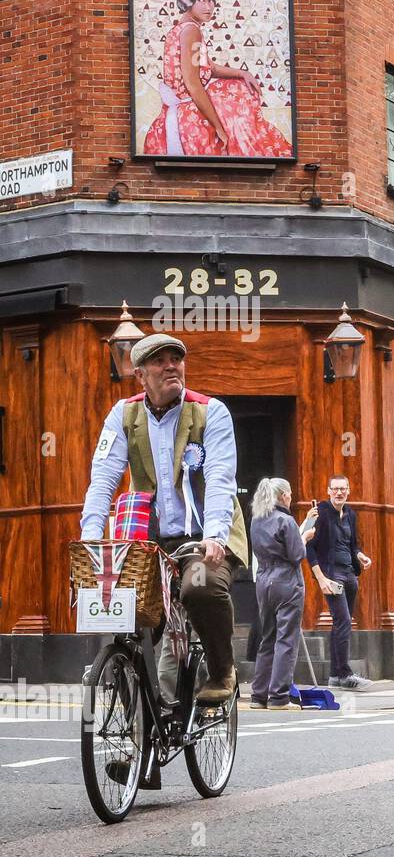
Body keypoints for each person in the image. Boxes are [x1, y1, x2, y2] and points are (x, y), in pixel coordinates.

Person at [80, 334, 246, 788]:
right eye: (159, 362)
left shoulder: (211, 411)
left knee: (199, 586)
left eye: (177, 359)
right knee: (138, 623)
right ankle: (144, 752)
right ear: (141, 374)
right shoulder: (123, 414)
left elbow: (219, 475)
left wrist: (213, 534)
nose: (172, 366)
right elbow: (104, 479)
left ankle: (221, 669)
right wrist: (91, 537)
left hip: (203, 536)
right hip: (150, 538)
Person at [142, 0, 293, 158]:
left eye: (211, 0)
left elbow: (209, 68)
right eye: (201, 0)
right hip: (189, 117)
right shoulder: (191, 31)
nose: (208, 6)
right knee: (240, 109)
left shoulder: (183, 28)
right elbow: (193, 84)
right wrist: (218, 127)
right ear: (188, 1)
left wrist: (242, 73)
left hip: (181, 112)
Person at [249, 478, 314, 710]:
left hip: (263, 580)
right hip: (287, 581)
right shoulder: (285, 520)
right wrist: (304, 537)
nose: (291, 498)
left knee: (267, 638)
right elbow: (297, 555)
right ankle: (278, 697)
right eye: (290, 494)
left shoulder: (256, 520)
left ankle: (258, 696)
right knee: (286, 638)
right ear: (283, 496)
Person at [305, 475, 374, 690]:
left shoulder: (350, 514)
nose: (339, 493)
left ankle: (335, 675)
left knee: (341, 622)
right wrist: (321, 578)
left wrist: (361, 555)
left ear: (348, 491)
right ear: (328, 491)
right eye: (335, 489)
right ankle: (345, 674)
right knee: (343, 620)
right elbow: (309, 547)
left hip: (350, 574)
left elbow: (353, 544)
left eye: (343, 489)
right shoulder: (322, 512)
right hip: (331, 575)